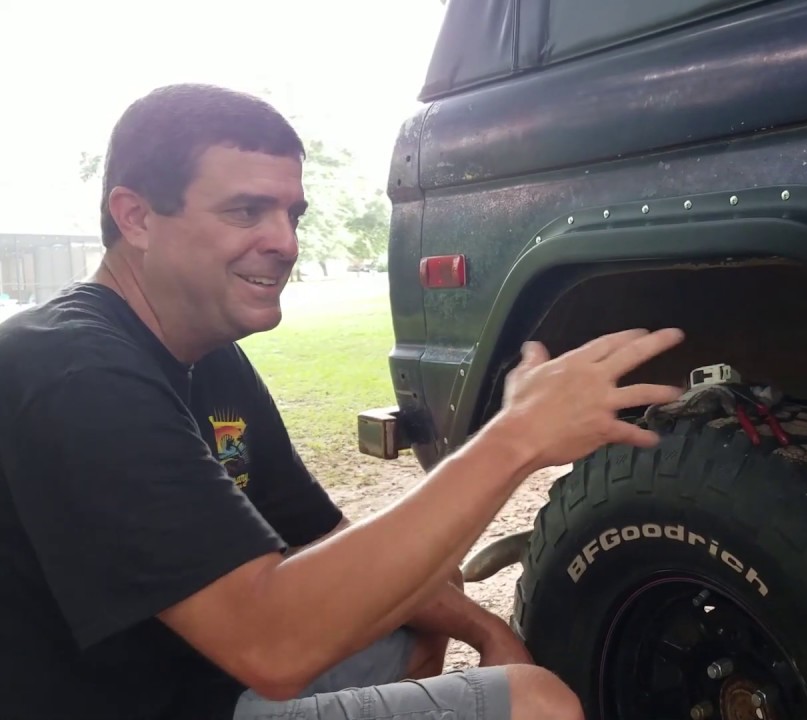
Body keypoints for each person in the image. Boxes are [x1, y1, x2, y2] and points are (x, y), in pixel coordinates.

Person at [0, 83, 685, 720]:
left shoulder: (209, 358)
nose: (286, 242)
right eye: (246, 211)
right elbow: (271, 646)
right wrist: (516, 437)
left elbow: (324, 541)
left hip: (204, 676)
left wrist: (490, 632)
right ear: (136, 216)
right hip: (146, 702)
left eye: (291, 213)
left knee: (415, 593)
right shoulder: (70, 370)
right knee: (533, 704)